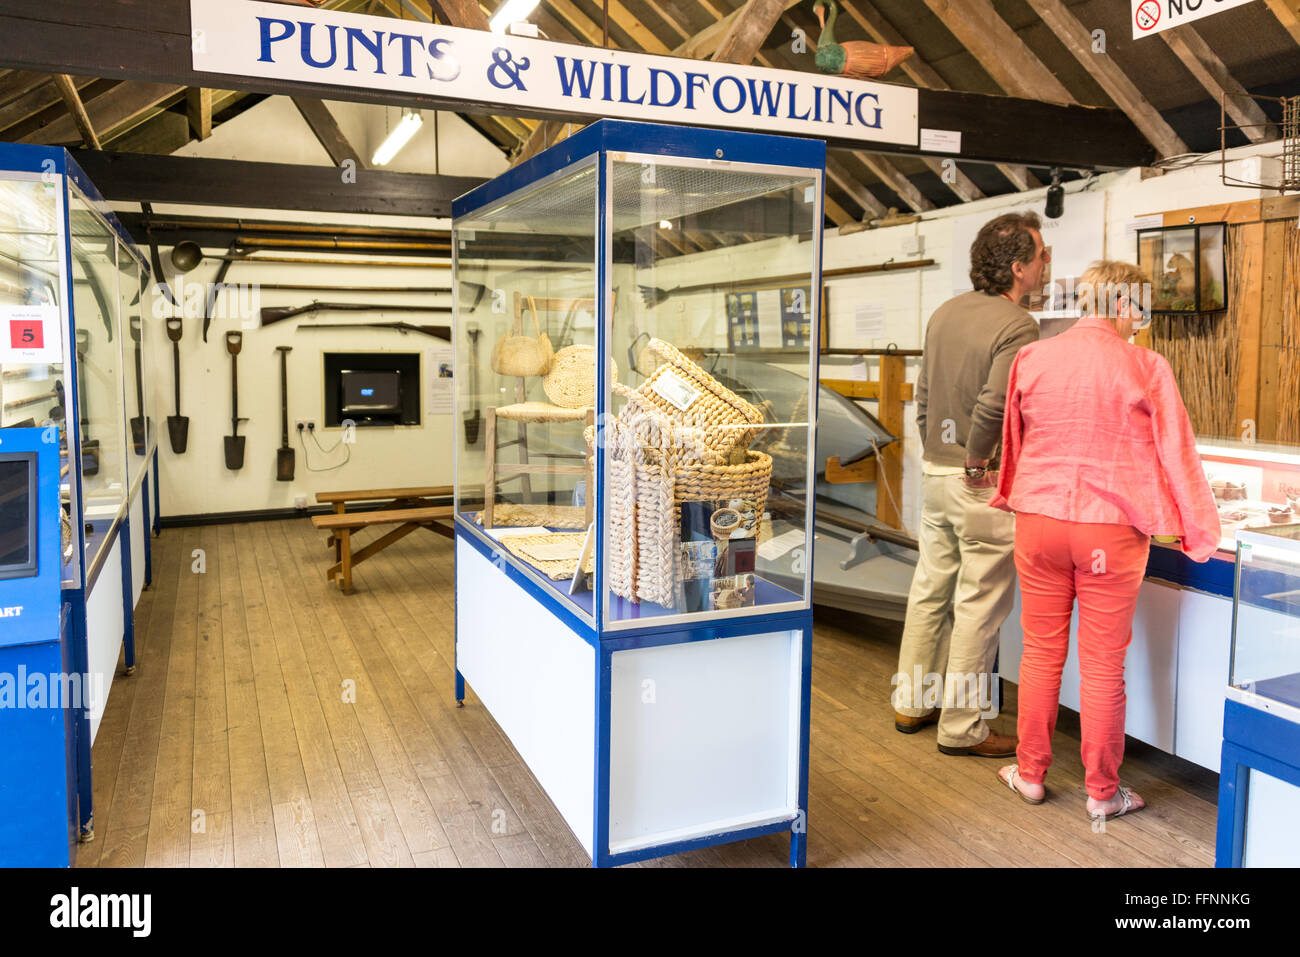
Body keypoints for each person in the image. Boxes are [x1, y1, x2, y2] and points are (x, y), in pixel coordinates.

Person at [988, 260, 1220, 820]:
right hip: (1110, 533)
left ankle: (1032, 774)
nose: (1143, 321)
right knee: (1101, 666)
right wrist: (1199, 533)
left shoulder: (1033, 356)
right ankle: (1102, 792)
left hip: (1037, 520)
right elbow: (1178, 456)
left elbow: (1013, 440)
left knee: (1040, 652)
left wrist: (1008, 494)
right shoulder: (1147, 366)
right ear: (1120, 304)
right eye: (1140, 308)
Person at [892, 212, 1047, 758]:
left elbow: (925, 396)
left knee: (930, 590)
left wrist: (938, 451)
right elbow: (995, 403)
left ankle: (911, 703)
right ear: (1017, 267)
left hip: (935, 475)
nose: (1045, 264)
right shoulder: (1018, 324)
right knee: (980, 605)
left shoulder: (945, 312)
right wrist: (978, 462)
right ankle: (961, 729)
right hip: (979, 483)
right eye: (1040, 255)